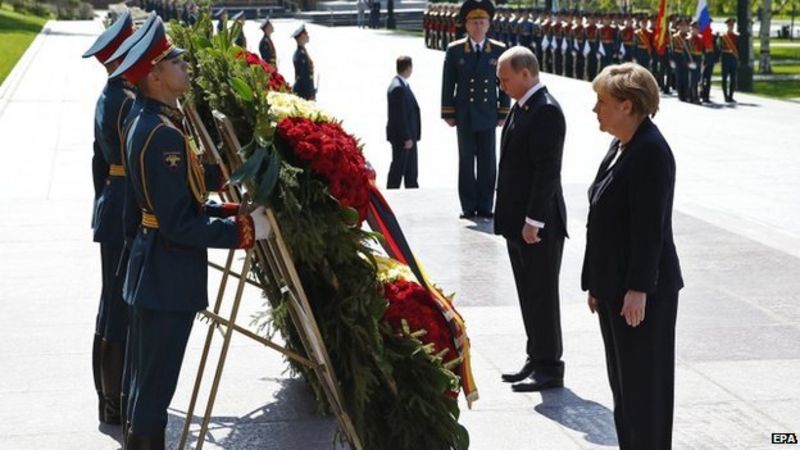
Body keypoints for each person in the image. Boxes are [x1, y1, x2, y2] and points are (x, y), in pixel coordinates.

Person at [110, 18, 271, 447]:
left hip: (153, 269)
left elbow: (175, 204)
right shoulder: (161, 134)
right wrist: (245, 232)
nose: (185, 66)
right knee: (155, 390)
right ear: (155, 76)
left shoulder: (150, 119)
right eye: (176, 61)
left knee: (145, 385)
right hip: (166, 276)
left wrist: (233, 210)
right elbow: (180, 225)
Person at [583, 63, 683, 450]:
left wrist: (638, 288)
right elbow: (602, 219)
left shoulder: (650, 152)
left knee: (646, 392)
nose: (596, 109)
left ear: (627, 105)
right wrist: (595, 282)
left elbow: (649, 230)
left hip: (644, 294)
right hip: (614, 288)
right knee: (624, 389)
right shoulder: (621, 145)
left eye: (602, 102)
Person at [494, 46, 567, 392]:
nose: (501, 85)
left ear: (526, 74)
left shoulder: (546, 111)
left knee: (542, 294)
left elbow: (547, 171)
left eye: (505, 78)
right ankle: (536, 356)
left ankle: (550, 365)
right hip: (518, 224)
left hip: (537, 226)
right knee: (528, 293)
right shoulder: (523, 107)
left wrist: (533, 221)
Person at [81, 8, 134, 427]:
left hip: (111, 207)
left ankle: (106, 399)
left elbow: (98, 163)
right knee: (116, 309)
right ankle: (114, 404)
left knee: (108, 307)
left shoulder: (109, 95)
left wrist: (105, 201)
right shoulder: (125, 101)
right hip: (121, 212)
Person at [441, 0, 509, 219]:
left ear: (489, 25)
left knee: (488, 162)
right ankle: (468, 205)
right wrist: (448, 112)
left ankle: (486, 205)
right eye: (474, 22)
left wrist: (503, 112)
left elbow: (504, 84)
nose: (478, 26)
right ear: (467, 25)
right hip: (465, 114)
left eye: (482, 22)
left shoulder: (498, 50)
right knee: (466, 161)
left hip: (488, 114)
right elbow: (448, 83)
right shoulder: (455, 50)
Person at [386, 56, 421, 189]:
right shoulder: (398, 88)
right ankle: (392, 191)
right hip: (403, 138)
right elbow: (399, 116)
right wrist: (406, 137)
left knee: (410, 169)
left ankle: (412, 190)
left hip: (409, 136)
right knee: (399, 167)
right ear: (408, 68)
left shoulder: (400, 84)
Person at [291, 23, 316, 101]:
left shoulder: (301, 52)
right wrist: (310, 94)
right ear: (301, 37)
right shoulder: (301, 54)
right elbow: (304, 76)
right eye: (306, 34)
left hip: (304, 90)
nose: (308, 36)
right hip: (303, 92)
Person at [719, 17, 739, 102]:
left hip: (733, 58)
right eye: (729, 25)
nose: (731, 26)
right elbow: (719, 48)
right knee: (724, 78)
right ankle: (725, 96)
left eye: (732, 25)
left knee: (733, 78)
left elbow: (739, 48)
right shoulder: (723, 36)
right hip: (725, 57)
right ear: (727, 25)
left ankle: (731, 95)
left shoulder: (737, 36)